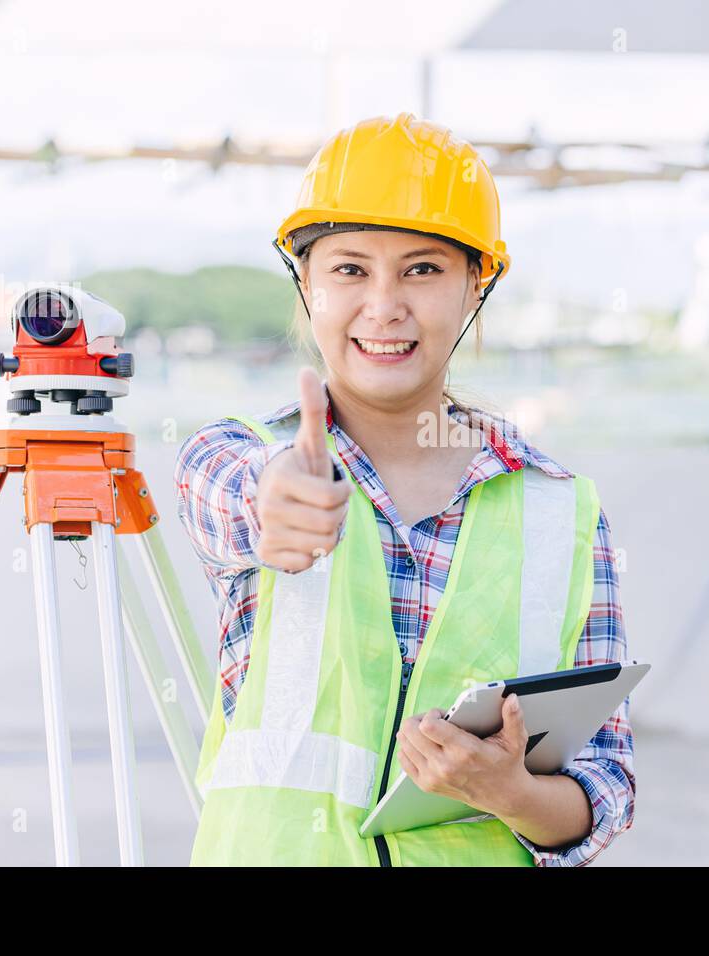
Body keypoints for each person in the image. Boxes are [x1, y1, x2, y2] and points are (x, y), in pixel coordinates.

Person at [176, 112, 634, 866]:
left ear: (474, 286)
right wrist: (276, 500)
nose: (384, 305)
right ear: (308, 286)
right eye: (350, 270)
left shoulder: (562, 511)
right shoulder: (240, 458)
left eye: (422, 269)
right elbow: (232, 495)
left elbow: (604, 783)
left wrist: (511, 794)